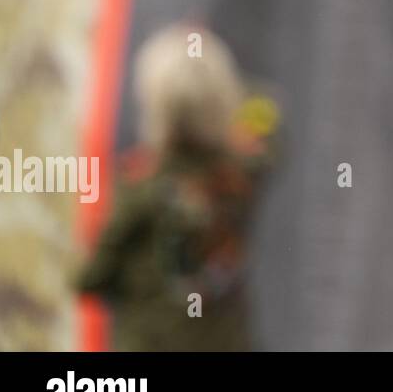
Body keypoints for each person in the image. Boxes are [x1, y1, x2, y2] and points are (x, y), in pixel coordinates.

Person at [78, 25, 276, 351]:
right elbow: (266, 111)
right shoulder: (246, 166)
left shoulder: (140, 188)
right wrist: (206, 73)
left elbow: (91, 280)